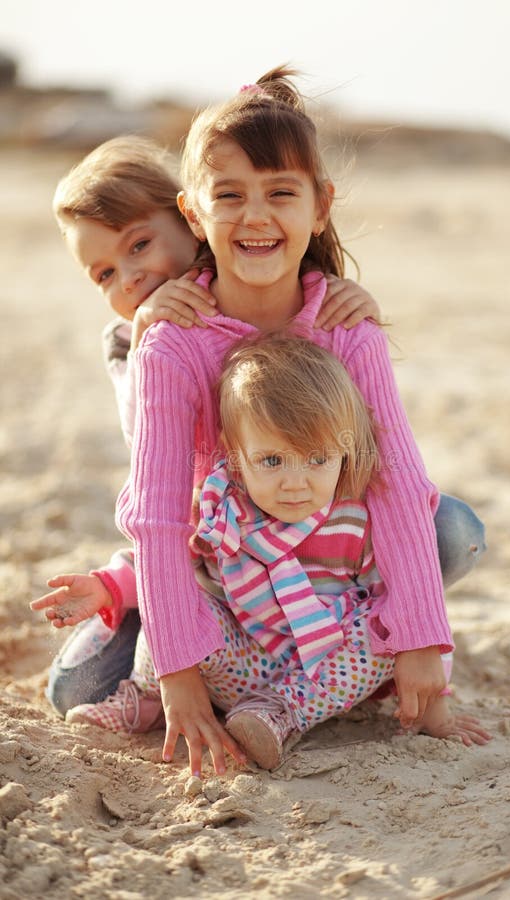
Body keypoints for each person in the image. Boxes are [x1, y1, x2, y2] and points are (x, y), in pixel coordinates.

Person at [110, 65, 486, 778]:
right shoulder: (176, 340)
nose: (256, 217)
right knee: (82, 688)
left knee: (452, 533)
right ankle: (152, 624)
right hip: (221, 571)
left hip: (326, 562)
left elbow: (394, 480)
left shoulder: (346, 328)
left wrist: (418, 640)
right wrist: (180, 678)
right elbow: (159, 515)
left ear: (319, 208)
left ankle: (291, 689)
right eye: (229, 197)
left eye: (281, 194)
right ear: (194, 214)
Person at [32, 133, 384, 720]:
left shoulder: (261, 288)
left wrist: (346, 294)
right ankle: (159, 609)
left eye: (141, 245)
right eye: (104, 274)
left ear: (189, 217)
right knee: (73, 689)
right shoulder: (136, 342)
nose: (129, 277)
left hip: (309, 520)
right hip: (199, 540)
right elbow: (151, 470)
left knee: (448, 529)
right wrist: (146, 339)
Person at [35, 336, 490, 768]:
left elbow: (406, 608)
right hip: (236, 660)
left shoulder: (356, 522)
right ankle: (149, 699)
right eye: (272, 461)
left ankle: (278, 716)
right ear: (236, 455)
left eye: (317, 460)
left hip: (317, 675)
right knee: (173, 600)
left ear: (345, 453)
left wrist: (436, 708)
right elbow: (159, 569)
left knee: (390, 628)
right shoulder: (220, 509)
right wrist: (105, 588)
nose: (295, 482)